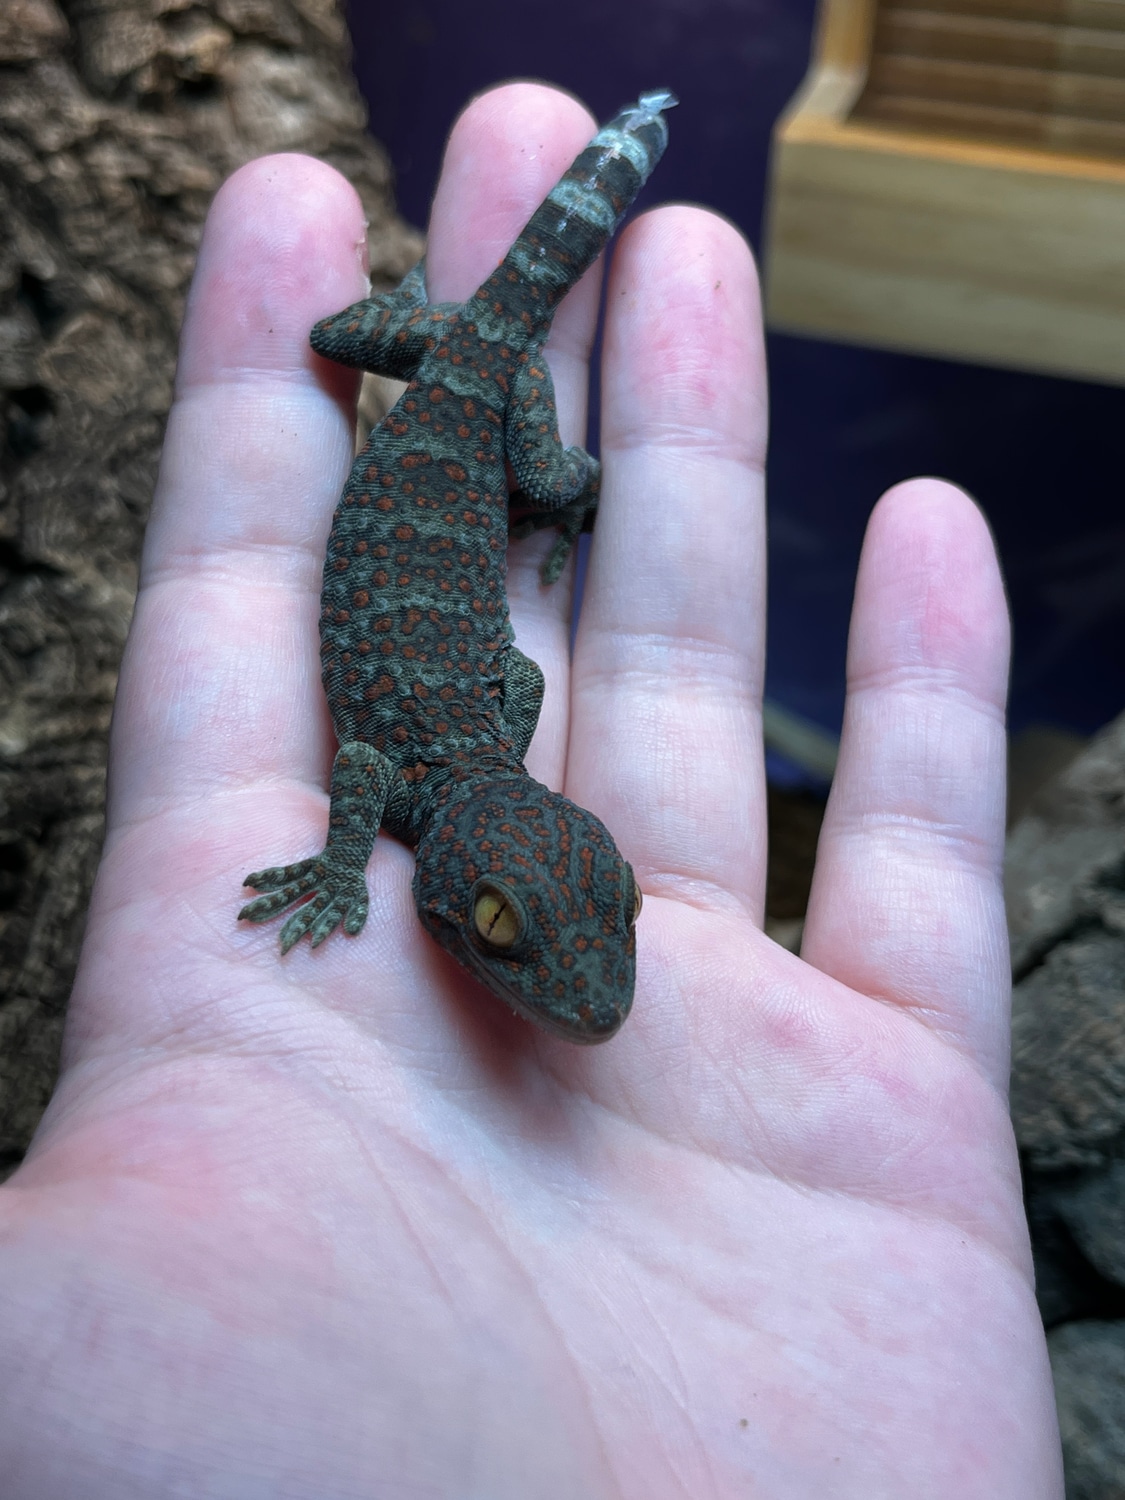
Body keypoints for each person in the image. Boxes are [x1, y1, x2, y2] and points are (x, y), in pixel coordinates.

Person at [0, 83, 1064, 1496]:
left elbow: (467, 709)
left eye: (578, 914)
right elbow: (429, 730)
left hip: (462, 420)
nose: (592, 988)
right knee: (339, 347)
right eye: (521, 925)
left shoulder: (446, 754)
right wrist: (538, 481)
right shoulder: (415, 770)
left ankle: (536, 265)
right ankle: (506, 309)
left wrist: (337, 868)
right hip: (465, 407)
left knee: (394, 354)